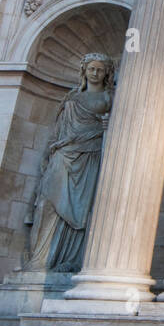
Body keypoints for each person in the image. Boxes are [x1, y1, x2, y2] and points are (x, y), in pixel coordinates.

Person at [24, 53, 114, 273]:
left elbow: (112, 127)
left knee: (81, 208)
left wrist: (105, 126)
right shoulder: (71, 98)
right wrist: (50, 152)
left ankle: (70, 258)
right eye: (91, 68)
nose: (95, 73)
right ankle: (40, 258)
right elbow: (58, 130)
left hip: (89, 155)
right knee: (47, 204)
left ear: (106, 74)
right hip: (63, 153)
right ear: (84, 71)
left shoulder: (109, 98)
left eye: (100, 69)